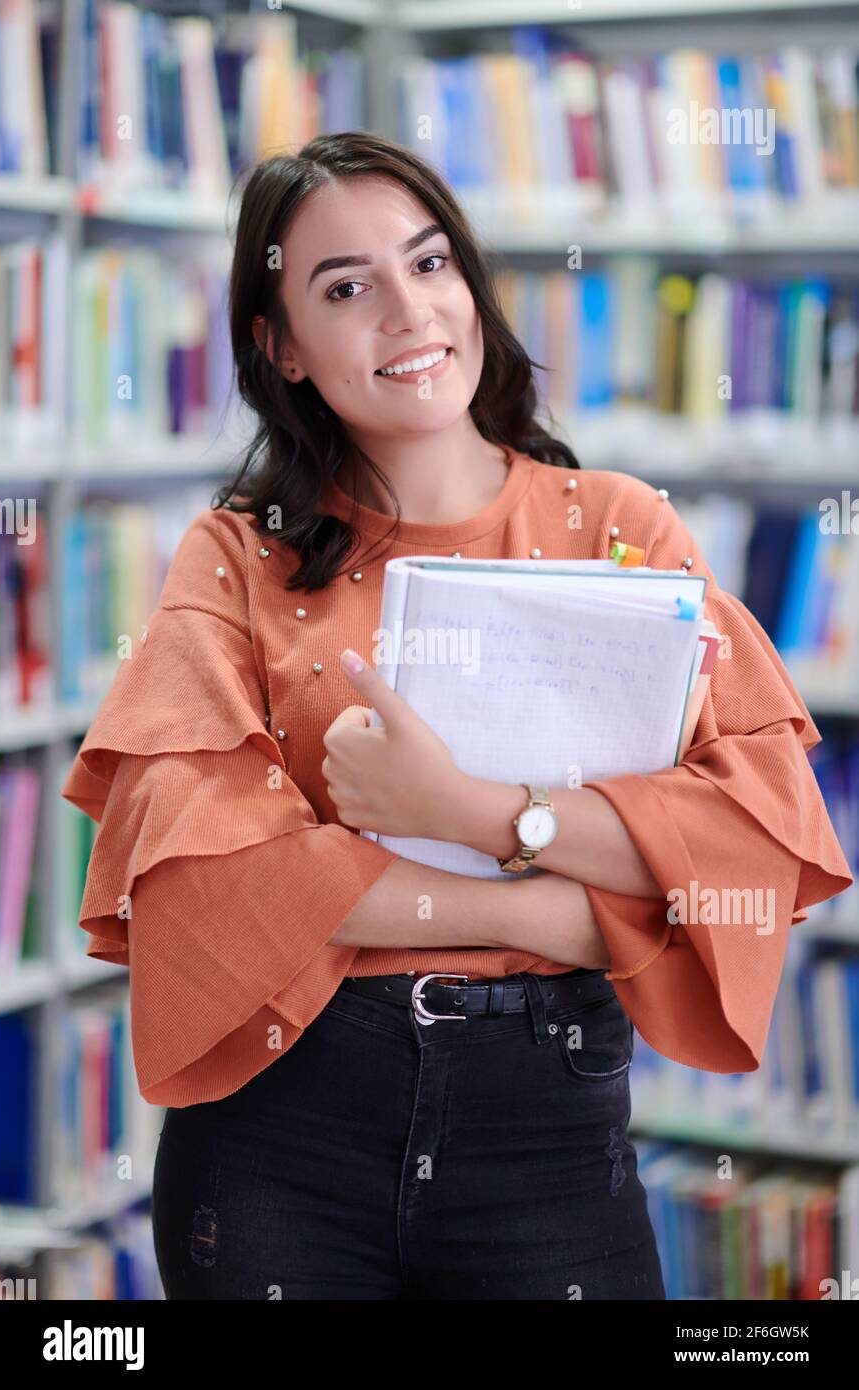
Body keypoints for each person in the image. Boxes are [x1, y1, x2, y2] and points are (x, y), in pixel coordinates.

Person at [60, 132, 853, 1301]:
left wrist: (462, 811)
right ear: (278, 349)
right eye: (345, 287)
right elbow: (208, 886)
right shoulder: (236, 557)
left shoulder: (623, 530)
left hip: (548, 1129)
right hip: (284, 1135)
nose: (407, 311)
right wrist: (580, 894)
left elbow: (745, 846)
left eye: (428, 265)